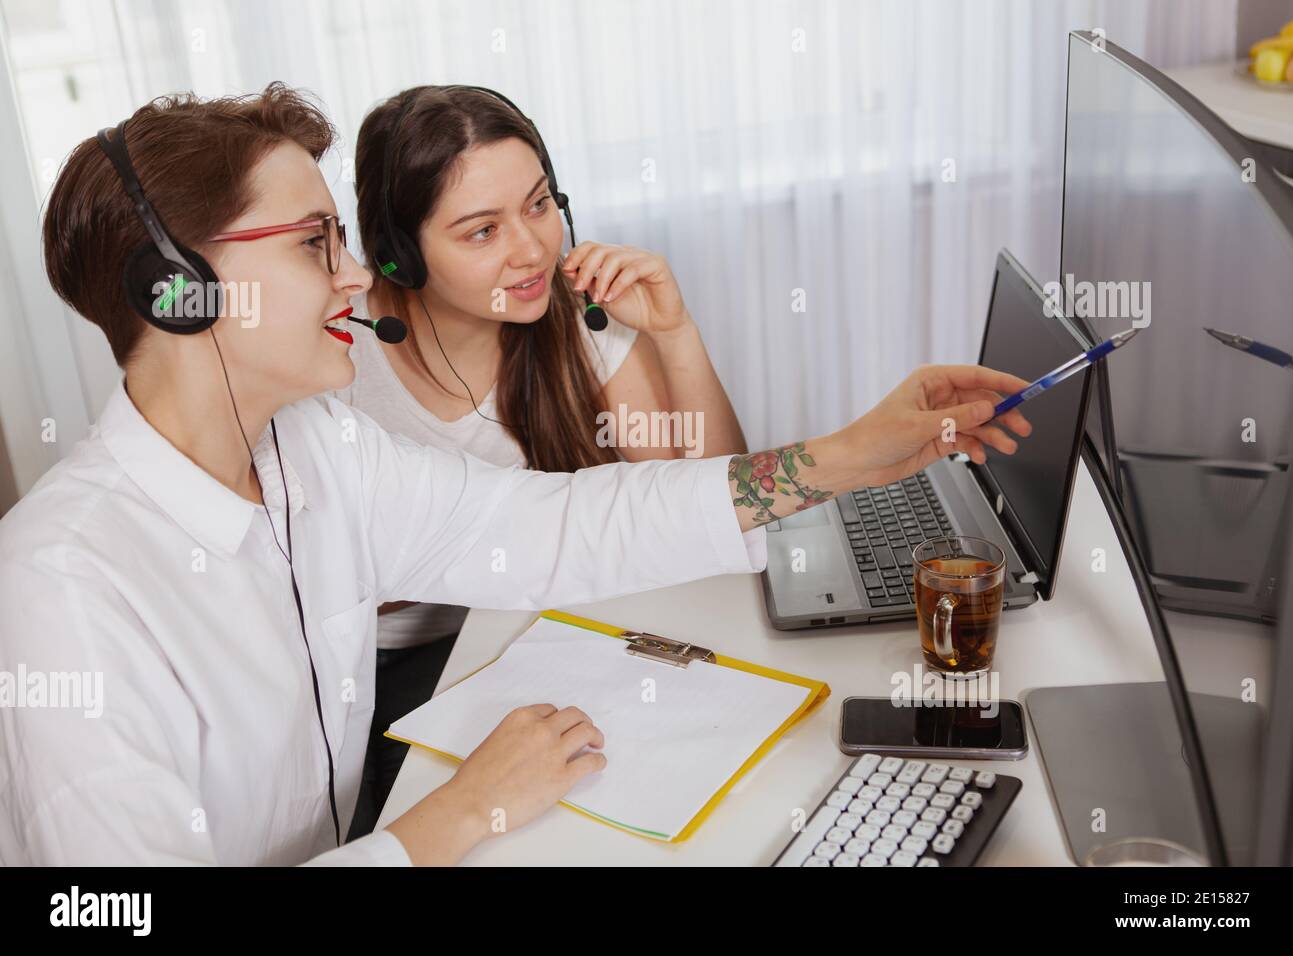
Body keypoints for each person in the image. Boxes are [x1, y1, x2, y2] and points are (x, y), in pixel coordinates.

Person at [0, 83, 1031, 866]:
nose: (357, 276)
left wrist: (851, 453)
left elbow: (561, 524)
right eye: (318, 244)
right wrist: (450, 816)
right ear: (180, 292)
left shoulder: (315, 450)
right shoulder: (63, 591)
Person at [338, 86, 750, 836]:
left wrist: (676, 333)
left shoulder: (572, 311)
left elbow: (707, 505)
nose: (532, 248)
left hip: (554, 631)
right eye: (481, 231)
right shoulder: (340, 357)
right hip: (408, 668)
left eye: (538, 205)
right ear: (399, 251)